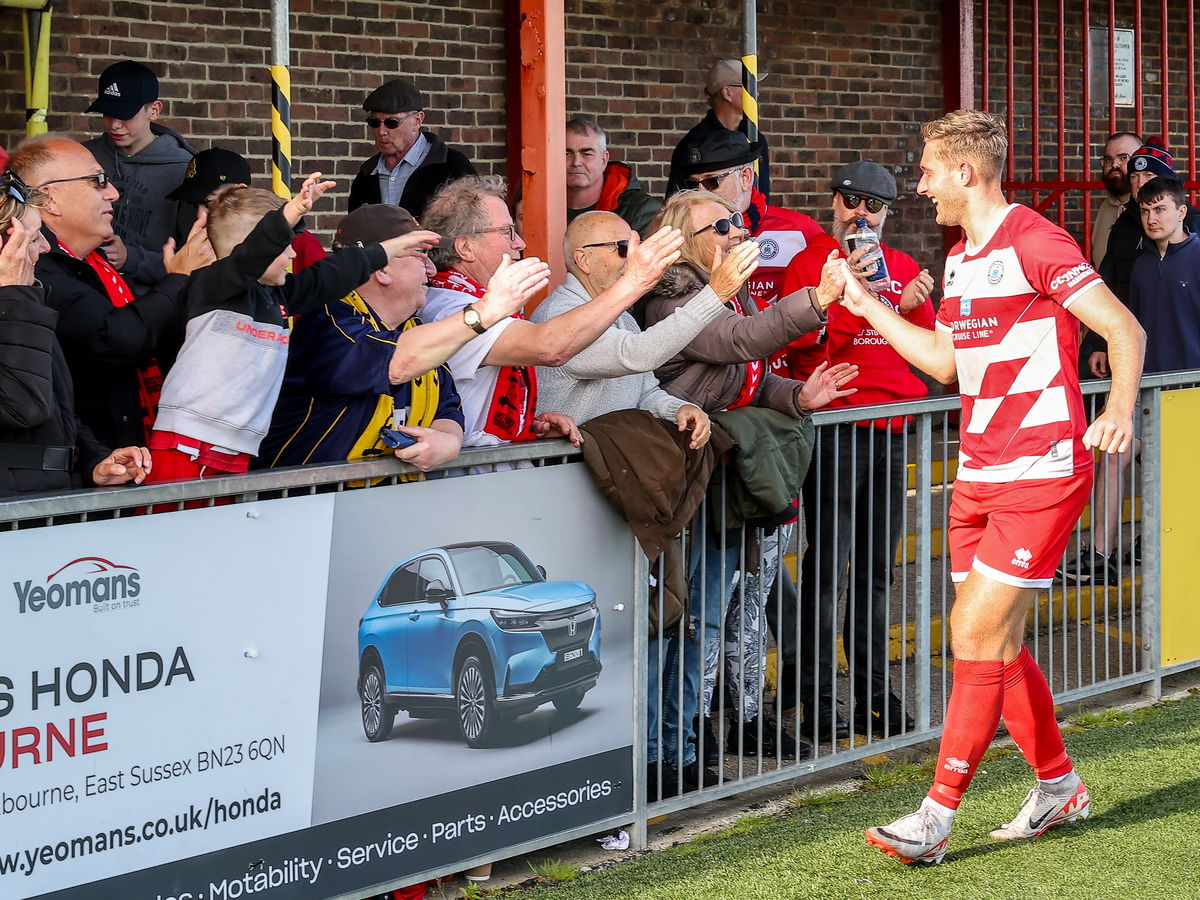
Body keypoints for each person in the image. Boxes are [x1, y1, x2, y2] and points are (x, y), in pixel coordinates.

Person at [843, 110, 1143, 865]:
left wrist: (1118, 410)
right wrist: (863, 303)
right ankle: (1058, 784)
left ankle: (934, 817)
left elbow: (1124, 330)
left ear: (966, 172)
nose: (921, 186)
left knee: (973, 635)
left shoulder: (1036, 240)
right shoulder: (959, 260)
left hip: (1043, 468)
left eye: (929, 171)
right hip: (978, 473)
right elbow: (944, 365)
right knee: (995, 644)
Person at [639, 188, 857, 781]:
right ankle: (670, 751)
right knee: (687, 618)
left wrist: (797, 396)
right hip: (680, 481)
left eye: (736, 224)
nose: (736, 234)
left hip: (722, 477)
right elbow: (737, 343)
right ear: (682, 240)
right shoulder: (672, 300)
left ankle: (690, 744)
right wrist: (815, 300)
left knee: (717, 612)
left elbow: (746, 378)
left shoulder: (715, 295)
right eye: (719, 228)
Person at [776, 160, 935, 744]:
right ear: (835, 206)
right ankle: (818, 697)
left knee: (874, 573)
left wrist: (914, 305)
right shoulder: (808, 264)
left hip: (891, 431)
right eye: (851, 203)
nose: (860, 215)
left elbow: (925, 356)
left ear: (888, 215)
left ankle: (872, 693)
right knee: (827, 570)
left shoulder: (904, 268)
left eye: (873, 206)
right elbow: (794, 345)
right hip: (836, 429)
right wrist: (841, 292)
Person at [143, 175, 440, 484]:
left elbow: (329, 275)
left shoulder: (277, 295)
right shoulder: (209, 285)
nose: (293, 255)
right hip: (189, 442)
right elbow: (250, 258)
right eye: (285, 246)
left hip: (235, 448)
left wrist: (392, 248)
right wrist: (291, 211)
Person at [259, 204, 548, 470]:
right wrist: (485, 311)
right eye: (421, 255)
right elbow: (397, 363)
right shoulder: (327, 322)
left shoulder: (412, 327)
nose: (432, 269)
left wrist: (449, 440)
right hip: (299, 511)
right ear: (383, 267)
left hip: (372, 509)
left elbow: (447, 406)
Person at [419, 175, 684, 450]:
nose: (520, 242)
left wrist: (531, 424)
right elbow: (549, 347)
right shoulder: (448, 307)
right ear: (465, 247)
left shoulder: (467, 298)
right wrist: (634, 282)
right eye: (508, 232)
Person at [8, 135, 213, 450]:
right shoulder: (38, 269)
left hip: (104, 455)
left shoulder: (95, 263)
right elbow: (116, 337)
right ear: (49, 199)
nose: (114, 193)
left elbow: (153, 338)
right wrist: (180, 278)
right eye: (98, 181)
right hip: (78, 470)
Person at [0, 171, 154, 496]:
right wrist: (14, 295)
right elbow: (23, 407)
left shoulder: (22, 301)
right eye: (32, 238)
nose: (44, 247)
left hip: (45, 500)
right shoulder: (17, 303)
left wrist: (93, 462)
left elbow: (57, 410)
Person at [674, 130, 823, 314]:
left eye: (712, 181)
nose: (701, 192)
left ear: (745, 177)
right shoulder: (681, 232)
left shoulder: (800, 229)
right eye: (693, 184)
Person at [82, 60, 197, 285]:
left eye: (125, 114)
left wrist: (132, 259)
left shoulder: (185, 168)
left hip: (155, 302)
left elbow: (194, 256)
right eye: (107, 112)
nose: (114, 124)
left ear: (154, 110)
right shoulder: (84, 156)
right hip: (88, 292)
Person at [168, 147, 327, 271]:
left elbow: (323, 292)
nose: (199, 214)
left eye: (209, 203)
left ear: (239, 192)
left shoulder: (301, 242)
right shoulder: (196, 245)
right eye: (195, 205)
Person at [347, 78, 476, 218]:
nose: (381, 131)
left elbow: (475, 222)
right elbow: (355, 232)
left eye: (392, 123)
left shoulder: (452, 165)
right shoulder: (367, 175)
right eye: (374, 122)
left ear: (417, 121)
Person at [667, 59, 771, 201]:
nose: (756, 93)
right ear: (727, 93)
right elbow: (677, 200)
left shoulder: (755, 138)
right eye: (749, 86)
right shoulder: (696, 142)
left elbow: (763, 194)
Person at [565, 117, 661, 236]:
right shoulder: (541, 204)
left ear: (604, 160)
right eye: (567, 154)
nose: (576, 162)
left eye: (587, 154)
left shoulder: (640, 211)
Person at [1091, 131, 1142, 269]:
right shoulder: (1105, 208)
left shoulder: (1151, 209)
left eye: (1123, 157)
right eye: (1108, 159)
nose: (1114, 165)